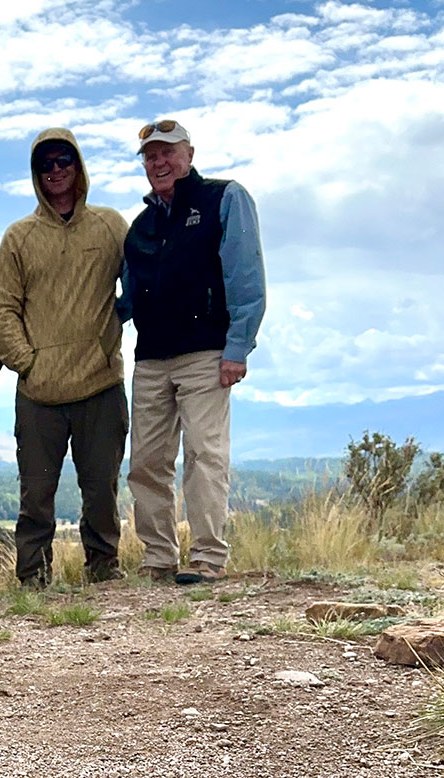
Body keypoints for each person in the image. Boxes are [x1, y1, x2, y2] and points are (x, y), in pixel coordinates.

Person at [119, 120, 266, 585]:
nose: (159, 162)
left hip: (207, 353)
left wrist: (238, 346)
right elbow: (126, 296)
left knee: (204, 453)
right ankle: (159, 558)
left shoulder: (224, 198)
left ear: (189, 153)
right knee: (145, 461)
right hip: (150, 358)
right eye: (150, 156)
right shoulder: (140, 227)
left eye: (167, 152)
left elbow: (246, 274)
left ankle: (207, 557)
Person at [0, 128, 130, 587]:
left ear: (78, 166)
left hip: (100, 384)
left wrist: (110, 339)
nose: (55, 171)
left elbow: (143, 283)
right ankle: (32, 582)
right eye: (45, 164)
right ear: (36, 174)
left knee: (101, 491)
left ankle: (105, 574)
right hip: (38, 391)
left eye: (63, 161)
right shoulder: (19, 237)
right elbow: (4, 306)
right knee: (36, 496)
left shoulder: (110, 226)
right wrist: (27, 362)